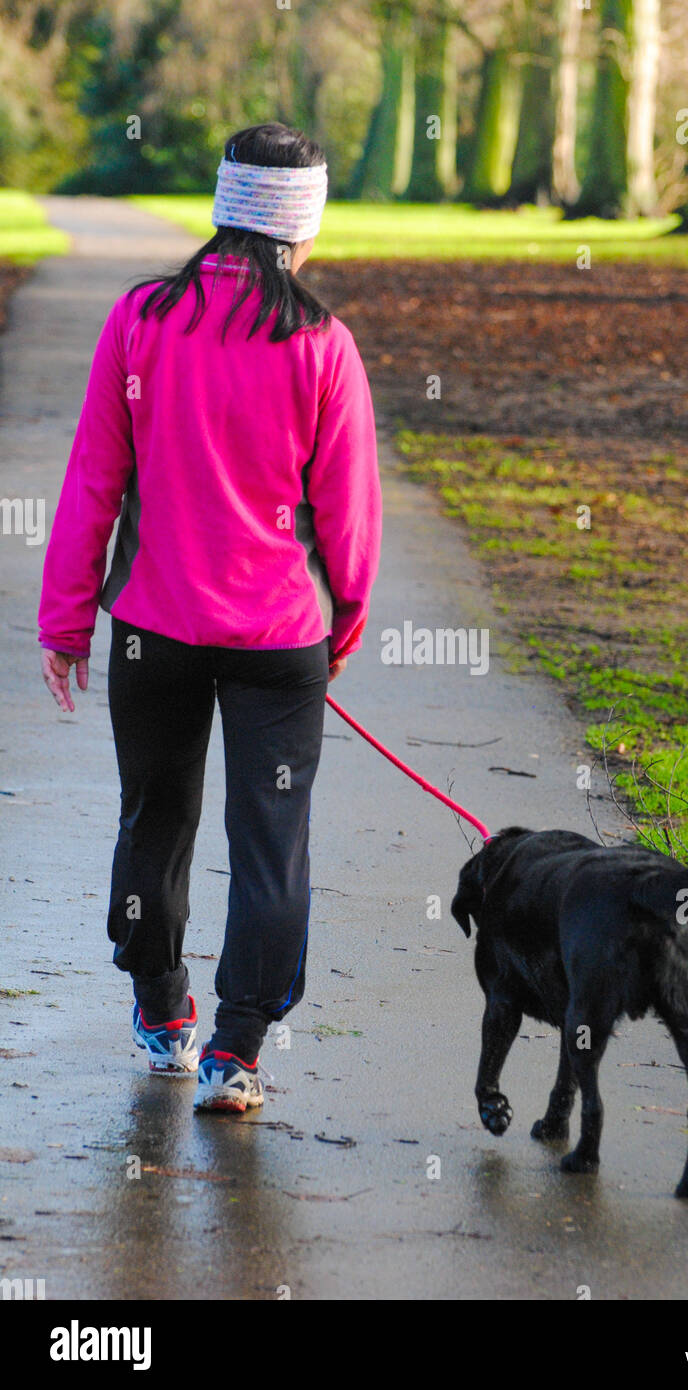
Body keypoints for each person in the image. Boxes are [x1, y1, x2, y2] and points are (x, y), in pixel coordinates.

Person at [38, 123, 382, 1113]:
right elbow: (348, 512)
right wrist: (345, 621)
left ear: (223, 207)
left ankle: (161, 1011)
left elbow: (94, 481)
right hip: (280, 641)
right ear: (301, 228)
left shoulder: (141, 320)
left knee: (156, 819)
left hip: (155, 632)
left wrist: (68, 623)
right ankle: (238, 1052)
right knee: (271, 836)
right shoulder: (322, 342)